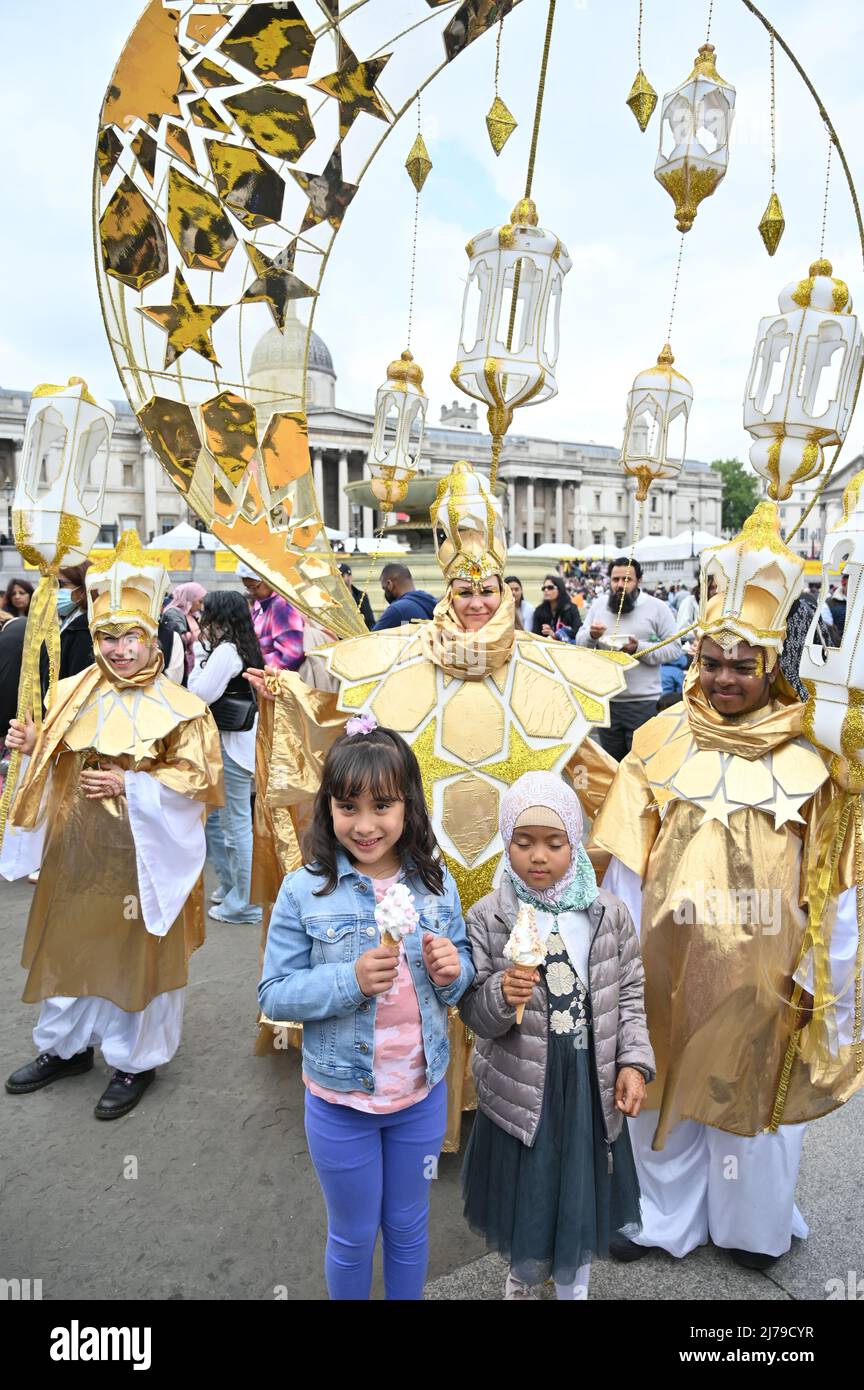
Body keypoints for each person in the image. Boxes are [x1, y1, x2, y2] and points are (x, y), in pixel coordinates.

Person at [248, 461, 625, 1150]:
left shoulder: (549, 664)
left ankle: (503, 1110)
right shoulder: (395, 656)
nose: (476, 602)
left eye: (485, 589)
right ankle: (425, 1110)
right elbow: (343, 736)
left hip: (512, 866)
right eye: (461, 588)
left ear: (501, 586)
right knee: (428, 976)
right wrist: (287, 697)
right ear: (442, 586)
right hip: (421, 862)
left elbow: (588, 769)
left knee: (501, 977)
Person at [590, 503, 863, 1267]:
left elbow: (836, 881)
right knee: (661, 1083)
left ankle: (753, 1226)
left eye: (743, 665)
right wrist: (610, 958)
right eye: (711, 662)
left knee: (753, 1096)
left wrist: (831, 972)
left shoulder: (818, 756)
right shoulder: (657, 739)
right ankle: (661, 1217)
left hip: (766, 968)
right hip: (664, 960)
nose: (724, 678)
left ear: (774, 662)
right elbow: (622, 865)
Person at [2, 532, 222, 1119]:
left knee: (138, 954)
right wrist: (31, 746)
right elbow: (55, 759)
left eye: (130, 636)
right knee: (68, 943)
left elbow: (201, 783)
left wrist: (134, 784)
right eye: (107, 636)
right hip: (77, 854)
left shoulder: (185, 709)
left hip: (143, 858)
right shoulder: (71, 693)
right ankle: (66, 1047)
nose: (119, 649)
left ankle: (136, 1059)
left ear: (152, 635)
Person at [258, 719, 474, 1300]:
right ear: (328, 808)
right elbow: (274, 993)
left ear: (409, 806)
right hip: (339, 1103)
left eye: (383, 805)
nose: (366, 824)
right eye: (348, 806)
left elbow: (463, 980)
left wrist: (456, 971)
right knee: (352, 1236)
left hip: (420, 1096)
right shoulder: (306, 890)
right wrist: (348, 980)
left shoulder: (435, 884)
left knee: (407, 1227)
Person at [459, 772, 653, 1300]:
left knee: (582, 1186)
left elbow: (630, 992)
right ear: (506, 842)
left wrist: (634, 1061)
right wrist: (503, 992)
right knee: (533, 1187)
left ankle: (574, 1285)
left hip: (590, 1082)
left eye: (554, 843)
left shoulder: (607, 914)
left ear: (575, 840)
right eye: (523, 843)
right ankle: (524, 1273)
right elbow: (474, 1010)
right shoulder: (489, 917)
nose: (538, 857)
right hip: (526, 1089)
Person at [190, 591, 262, 925]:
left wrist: (197, 659)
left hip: (231, 747)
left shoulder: (226, 651)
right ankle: (235, 889)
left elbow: (200, 695)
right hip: (238, 745)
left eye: (207, 612)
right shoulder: (242, 646)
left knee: (235, 825)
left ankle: (245, 903)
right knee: (230, 822)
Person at [575, 556, 684, 759]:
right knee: (611, 768)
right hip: (608, 702)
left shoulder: (657, 607)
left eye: (626, 580)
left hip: (643, 703)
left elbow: (674, 648)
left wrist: (638, 648)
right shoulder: (598, 606)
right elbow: (580, 644)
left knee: (641, 767)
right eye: (615, 580)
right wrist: (591, 636)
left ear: (639, 580)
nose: (620, 585)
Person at [237, 562, 305, 671]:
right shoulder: (260, 604)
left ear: (268, 579)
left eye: (255, 587)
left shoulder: (281, 605)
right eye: (248, 588)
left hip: (279, 678)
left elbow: (293, 652)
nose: (252, 592)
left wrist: (264, 669)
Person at [372, 563, 436, 630]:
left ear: (389, 584)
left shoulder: (397, 609)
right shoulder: (430, 601)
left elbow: (370, 638)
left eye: (384, 588)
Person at [162, 581, 206, 680]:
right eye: (199, 601)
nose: (200, 606)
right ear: (189, 599)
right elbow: (179, 637)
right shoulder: (173, 613)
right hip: (179, 664)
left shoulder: (193, 614)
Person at [531, 575, 581, 639]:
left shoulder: (571, 609)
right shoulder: (539, 611)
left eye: (550, 587)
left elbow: (577, 631)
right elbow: (535, 634)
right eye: (544, 588)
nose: (546, 590)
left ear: (560, 589)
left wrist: (556, 635)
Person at [338, 563, 375, 630]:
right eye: (336, 576)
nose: (338, 579)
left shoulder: (361, 596)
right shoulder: (333, 598)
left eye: (341, 575)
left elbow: (370, 621)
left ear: (350, 577)